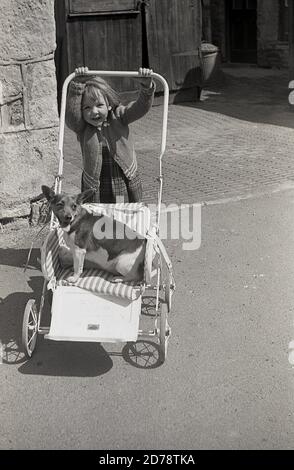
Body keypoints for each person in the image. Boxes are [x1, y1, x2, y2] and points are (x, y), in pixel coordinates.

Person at [65, 66, 155, 203]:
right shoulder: (82, 127)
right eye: (87, 107)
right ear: (81, 111)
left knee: (121, 212)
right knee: (98, 214)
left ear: (108, 104)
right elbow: (72, 118)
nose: (94, 112)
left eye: (99, 105)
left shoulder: (119, 116)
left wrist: (146, 87)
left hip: (122, 179)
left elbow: (140, 107)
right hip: (97, 182)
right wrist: (77, 86)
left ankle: (122, 224)